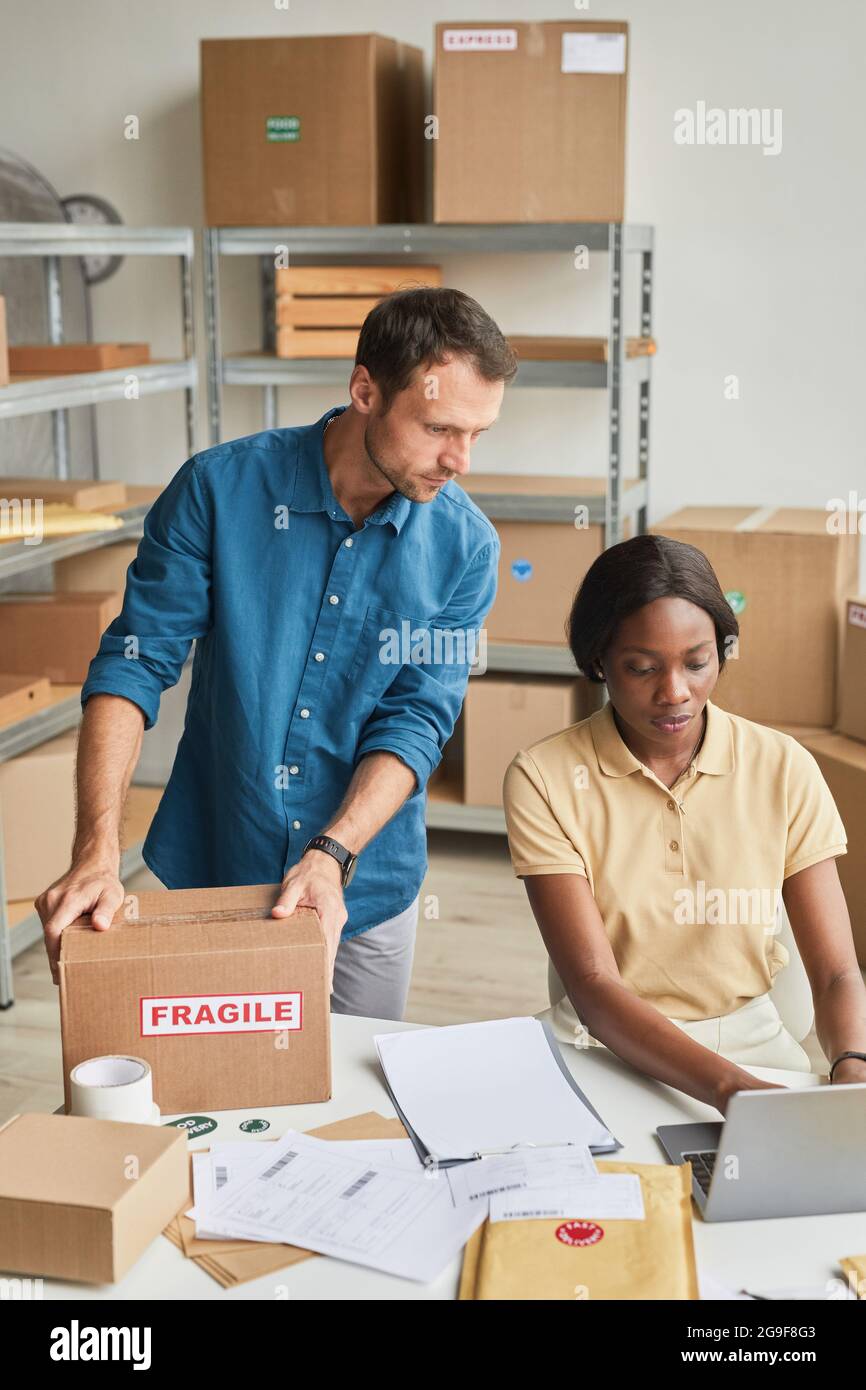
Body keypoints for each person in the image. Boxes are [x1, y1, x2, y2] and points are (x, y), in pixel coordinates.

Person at [36, 287, 517, 1020]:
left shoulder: (466, 547)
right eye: (440, 428)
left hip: (364, 887)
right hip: (217, 864)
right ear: (364, 390)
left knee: (353, 1113)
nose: (460, 460)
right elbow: (135, 662)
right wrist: (99, 851)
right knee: (218, 1102)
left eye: (478, 433)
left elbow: (416, 718)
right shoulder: (218, 489)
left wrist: (332, 855)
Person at [503, 533, 866, 1114]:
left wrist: (852, 1069)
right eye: (642, 668)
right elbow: (595, 988)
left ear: (722, 650)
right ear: (598, 662)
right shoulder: (543, 776)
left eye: (697, 664)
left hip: (753, 1047)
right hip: (601, 1045)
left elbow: (837, 972)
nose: (675, 693)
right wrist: (731, 1092)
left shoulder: (782, 766)